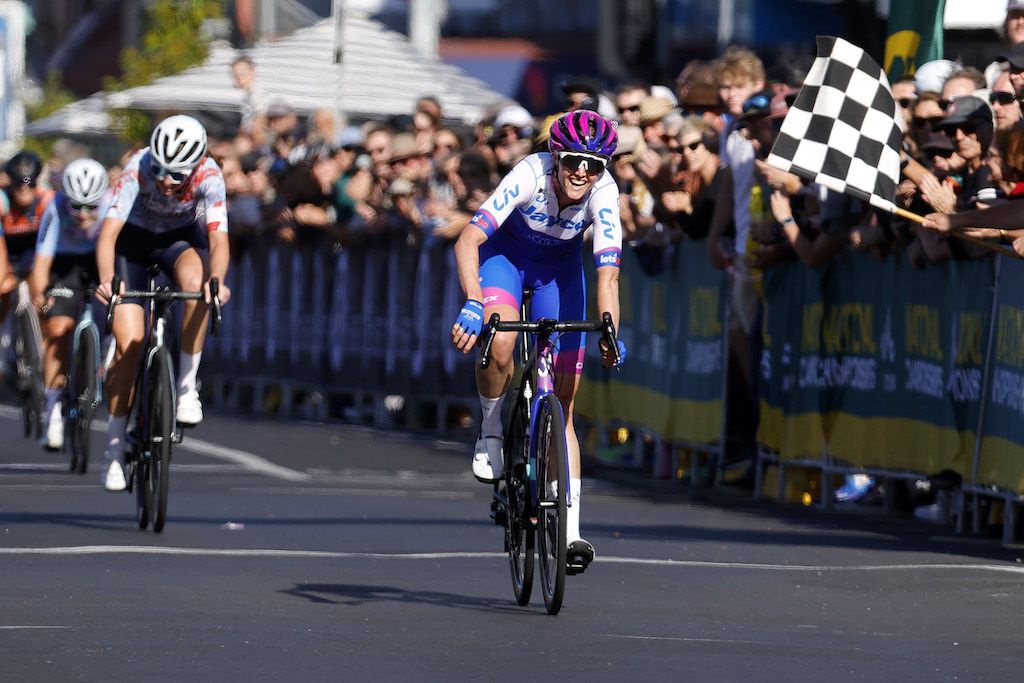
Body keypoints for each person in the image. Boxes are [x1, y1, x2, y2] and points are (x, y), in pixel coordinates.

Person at [450, 110, 625, 571]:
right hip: (505, 259)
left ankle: (570, 534)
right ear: (555, 156)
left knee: (563, 404)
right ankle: (490, 429)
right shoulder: (530, 172)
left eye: (594, 165)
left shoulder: (605, 194)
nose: (582, 172)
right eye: (572, 161)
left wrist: (609, 328)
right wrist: (472, 300)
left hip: (559, 273)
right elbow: (467, 239)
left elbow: (608, 274)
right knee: (502, 342)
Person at [95, 114, 232, 491]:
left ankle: (187, 387)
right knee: (130, 342)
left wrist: (217, 283)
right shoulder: (136, 168)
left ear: (194, 169)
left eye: (175, 175)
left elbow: (218, 240)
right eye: (158, 168)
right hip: (132, 243)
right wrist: (108, 279)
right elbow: (108, 235)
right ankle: (115, 446)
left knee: (198, 284)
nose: (162, 180)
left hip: (178, 239)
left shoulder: (210, 176)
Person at [29, 158, 109, 451]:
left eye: (92, 208)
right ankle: (52, 413)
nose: (85, 215)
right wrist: (41, 297)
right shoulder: (54, 206)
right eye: (77, 207)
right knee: (59, 327)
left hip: (101, 259)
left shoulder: (113, 203)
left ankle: (106, 361)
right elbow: (41, 263)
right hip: (64, 264)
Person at [1, 151, 55, 321]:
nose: (24, 188)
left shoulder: (47, 200)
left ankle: (40, 333)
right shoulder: (3, 202)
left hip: (34, 252)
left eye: (30, 184)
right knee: (4, 288)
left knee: (42, 298)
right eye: (19, 183)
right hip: (6, 251)